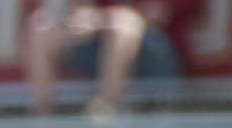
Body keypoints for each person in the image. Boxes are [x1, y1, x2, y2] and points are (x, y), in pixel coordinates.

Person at [26, 0, 185, 120]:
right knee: (40, 25)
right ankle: (43, 114)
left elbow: (156, 13)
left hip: (154, 51)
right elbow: (72, 11)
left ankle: (107, 111)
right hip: (100, 44)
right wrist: (81, 20)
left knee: (123, 24)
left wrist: (101, 20)